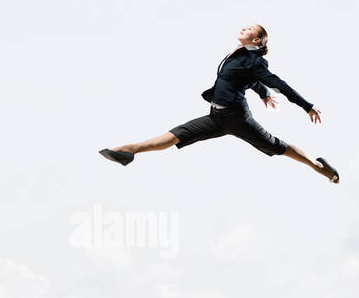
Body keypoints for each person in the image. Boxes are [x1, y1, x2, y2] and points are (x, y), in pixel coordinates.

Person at [99, 23, 338, 184]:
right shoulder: (241, 54)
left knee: (277, 146)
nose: (244, 27)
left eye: (250, 29)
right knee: (175, 136)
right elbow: (244, 79)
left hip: (237, 118)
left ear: (256, 39)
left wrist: (306, 106)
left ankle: (318, 166)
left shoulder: (255, 61)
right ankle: (127, 152)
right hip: (216, 117)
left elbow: (280, 84)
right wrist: (262, 92)